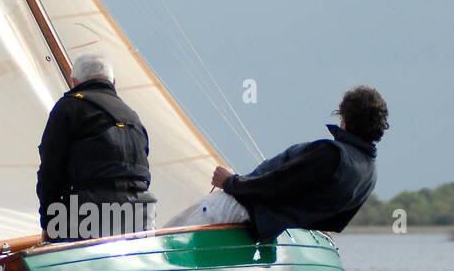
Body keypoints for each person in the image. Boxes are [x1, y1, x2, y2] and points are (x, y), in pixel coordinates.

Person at [168, 85, 389, 240]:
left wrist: (230, 182)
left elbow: (275, 185)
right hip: (268, 227)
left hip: (239, 208)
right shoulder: (370, 172)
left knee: (166, 239)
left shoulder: (331, 154)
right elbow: (330, 218)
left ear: (345, 118)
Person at [36, 53, 157, 243]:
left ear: (74, 81)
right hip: (140, 213)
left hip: (89, 213)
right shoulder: (132, 117)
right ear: (113, 82)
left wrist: (49, 224)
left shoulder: (69, 107)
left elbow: (50, 172)